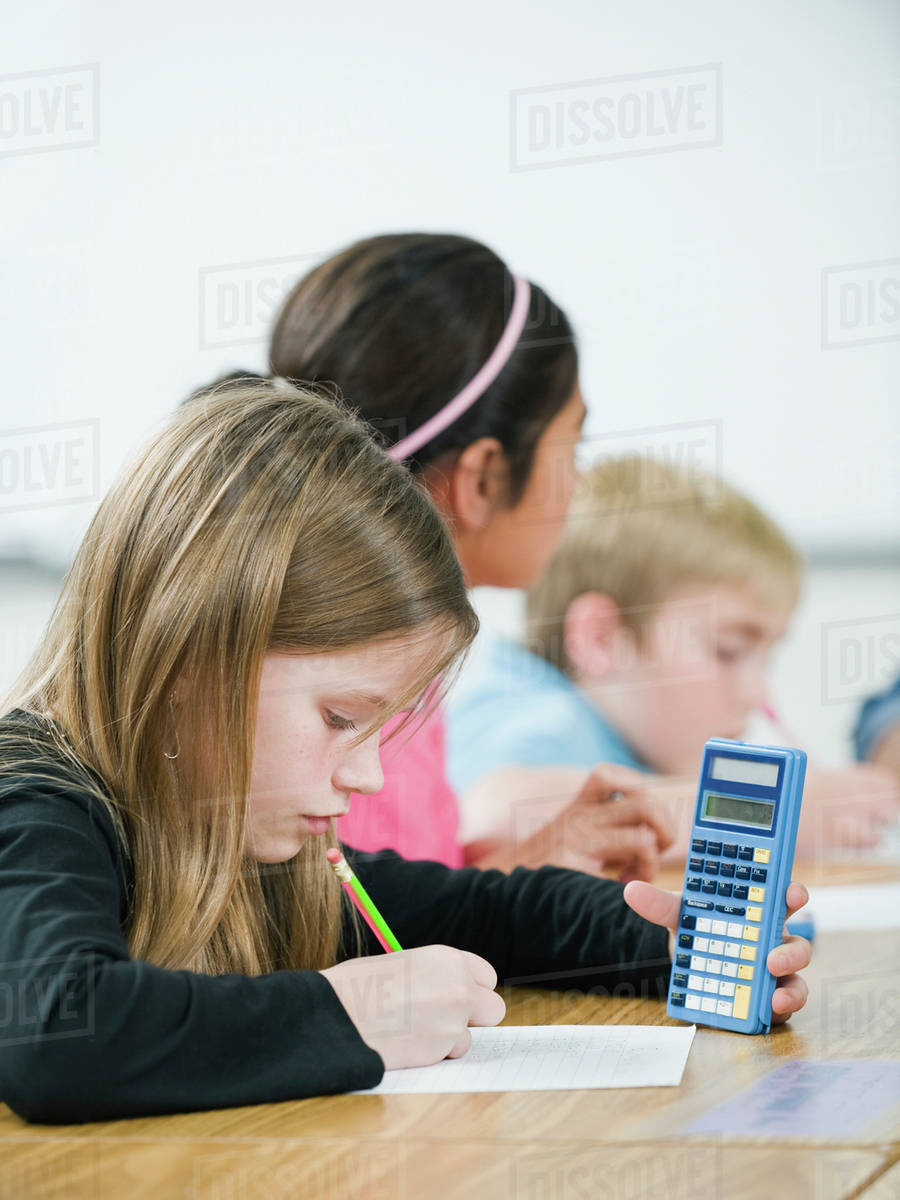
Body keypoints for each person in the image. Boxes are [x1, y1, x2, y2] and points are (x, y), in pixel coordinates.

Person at [0, 380, 814, 1123]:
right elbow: (59, 1032)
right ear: (191, 658)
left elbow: (474, 911)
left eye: (381, 729)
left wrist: (672, 945)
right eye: (339, 717)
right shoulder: (33, 799)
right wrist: (357, 1015)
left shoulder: (243, 841)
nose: (369, 774)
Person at [265, 231, 673, 879]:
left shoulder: (406, 672)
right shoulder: (349, 703)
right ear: (483, 479)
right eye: (572, 446)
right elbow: (342, 933)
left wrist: (525, 870)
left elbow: (405, 902)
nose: (580, 482)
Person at [446, 456, 900, 860]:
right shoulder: (537, 713)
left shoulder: (634, 732)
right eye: (730, 651)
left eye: (766, 658)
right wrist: (770, 814)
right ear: (603, 639)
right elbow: (493, 819)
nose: (758, 692)